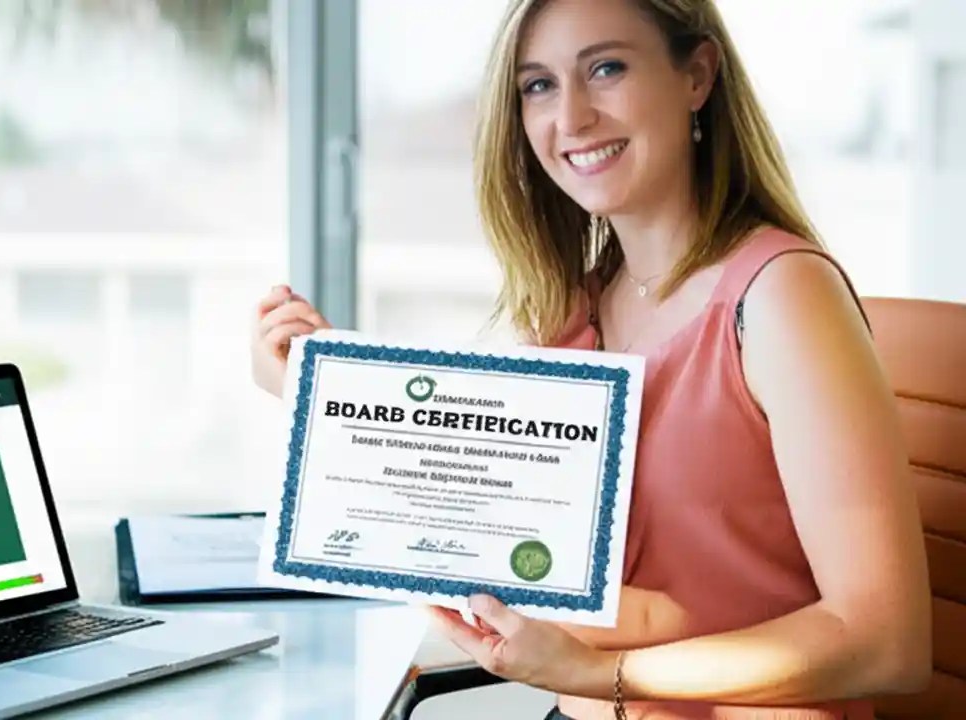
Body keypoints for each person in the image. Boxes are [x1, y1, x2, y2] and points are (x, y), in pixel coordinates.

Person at [248, 0, 932, 717]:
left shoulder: (782, 296)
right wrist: (320, 399)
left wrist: (606, 674)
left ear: (697, 76)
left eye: (605, 68)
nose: (570, 117)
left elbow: (887, 641)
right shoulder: (575, 310)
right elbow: (483, 540)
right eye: (537, 85)